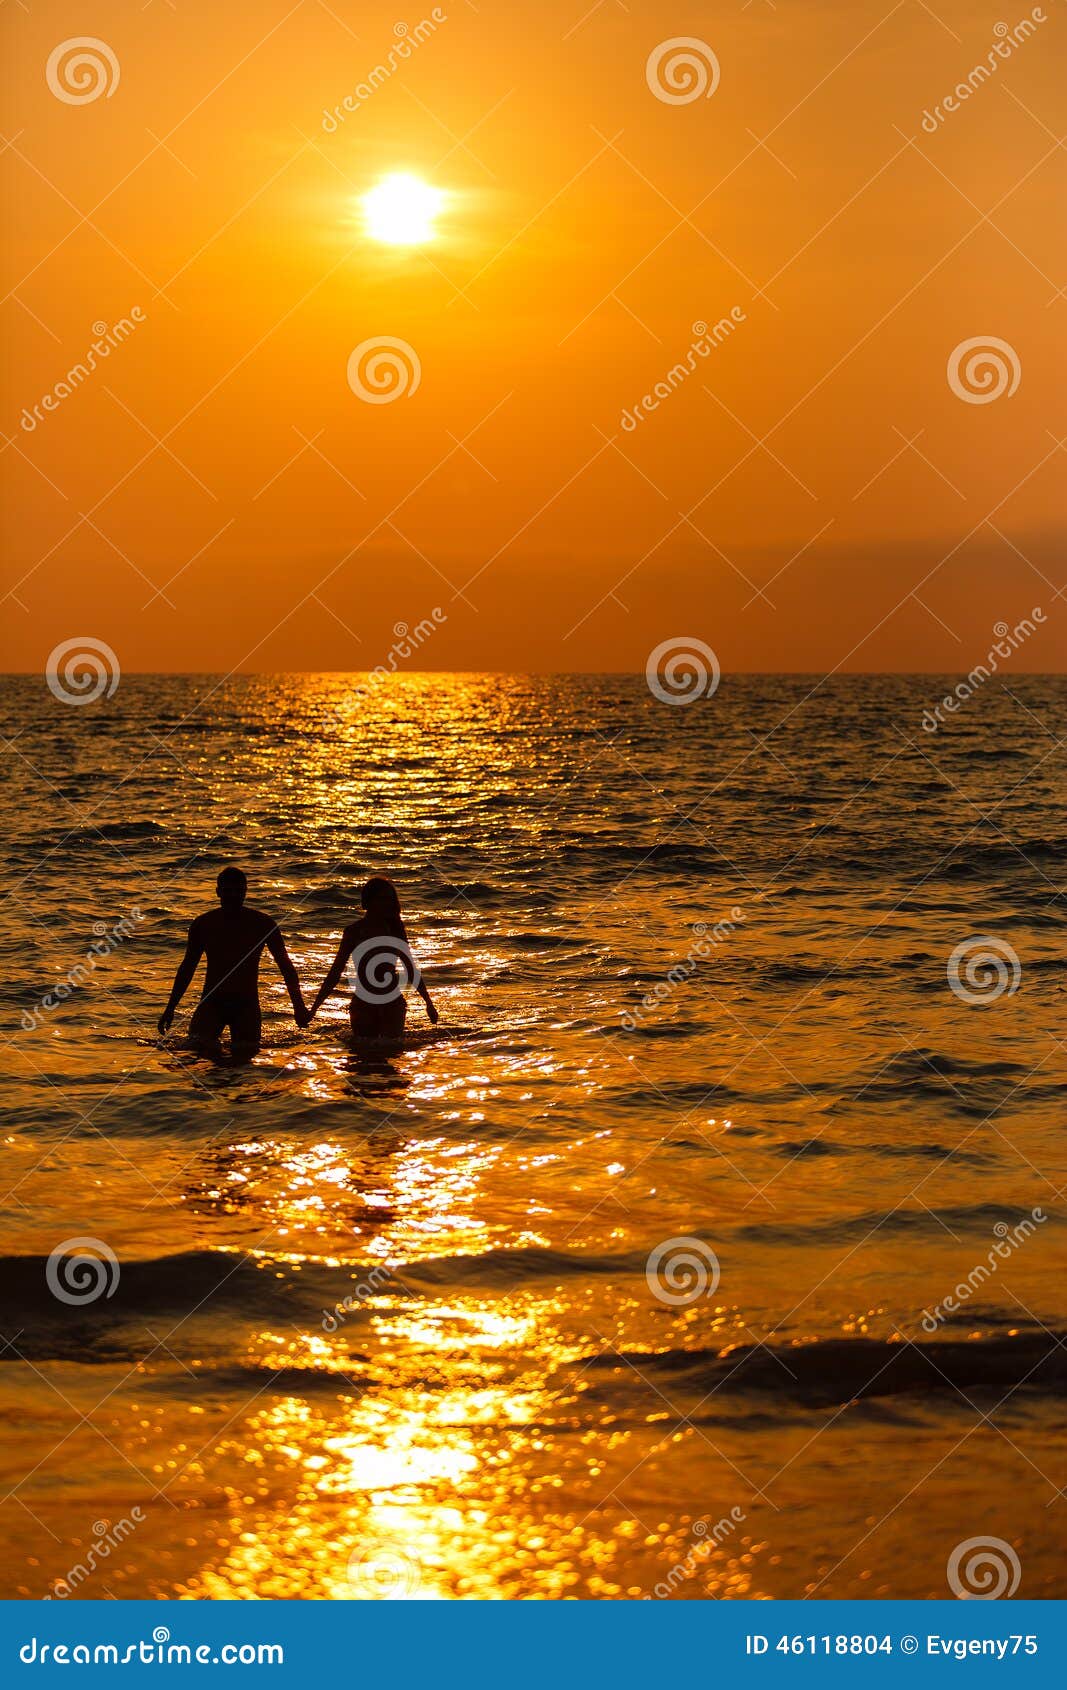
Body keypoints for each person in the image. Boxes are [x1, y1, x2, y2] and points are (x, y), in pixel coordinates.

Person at [157, 866, 307, 1058]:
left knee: (245, 1065)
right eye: (228, 891)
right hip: (212, 1002)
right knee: (195, 1056)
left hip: (246, 1004)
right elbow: (188, 967)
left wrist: (298, 1007)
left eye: (238, 891)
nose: (233, 896)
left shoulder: (263, 924)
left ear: (245, 892)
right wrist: (170, 1008)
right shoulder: (204, 924)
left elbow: (286, 968)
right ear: (218, 892)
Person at [306, 876, 437, 1039]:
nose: (386, 904)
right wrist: (314, 1009)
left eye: (389, 899)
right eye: (381, 899)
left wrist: (428, 1003)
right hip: (363, 1005)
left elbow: (410, 968)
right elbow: (335, 973)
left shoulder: (395, 930)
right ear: (368, 902)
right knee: (362, 1058)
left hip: (393, 1003)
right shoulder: (353, 931)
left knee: (391, 1054)